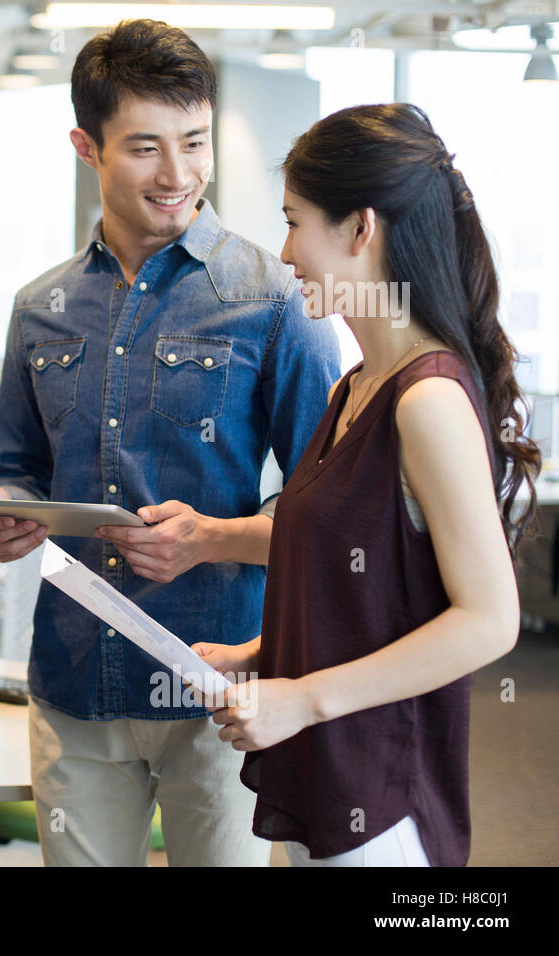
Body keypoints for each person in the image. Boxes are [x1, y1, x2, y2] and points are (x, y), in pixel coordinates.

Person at [0, 19, 339, 866]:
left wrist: (213, 538)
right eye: (145, 147)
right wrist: (4, 512)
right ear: (87, 148)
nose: (178, 174)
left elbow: (329, 513)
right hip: (73, 681)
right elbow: (15, 472)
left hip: (218, 684)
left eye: (195, 141)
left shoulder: (273, 299)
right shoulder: (41, 307)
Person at [196, 103, 538, 867]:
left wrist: (301, 697)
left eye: (294, 223)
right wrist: (261, 655)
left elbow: (489, 621)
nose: (286, 252)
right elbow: (371, 595)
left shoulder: (427, 400)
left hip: (381, 801)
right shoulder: (350, 389)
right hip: (321, 776)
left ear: (360, 229)